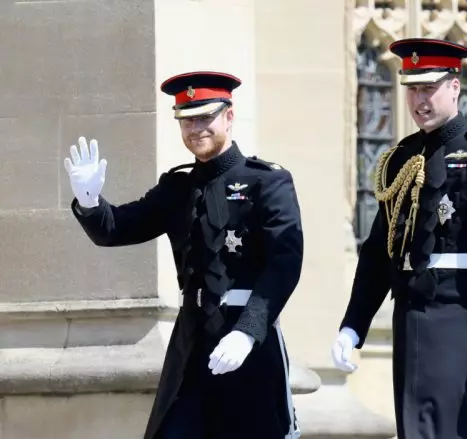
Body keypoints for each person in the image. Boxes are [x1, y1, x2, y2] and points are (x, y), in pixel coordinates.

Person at [63, 71, 303, 439]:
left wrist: (248, 331)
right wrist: (89, 201)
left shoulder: (266, 181)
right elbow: (117, 229)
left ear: (229, 116)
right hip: (191, 345)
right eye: (187, 120)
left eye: (206, 116)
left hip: (246, 344)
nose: (196, 128)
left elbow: (285, 263)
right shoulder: (177, 187)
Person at [331, 38, 467, 439]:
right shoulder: (401, 159)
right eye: (412, 89)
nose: (419, 100)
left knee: (458, 429)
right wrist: (354, 323)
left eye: (429, 88)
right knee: (416, 429)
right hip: (410, 315)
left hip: (459, 317)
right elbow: (380, 251)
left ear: (454, 87)